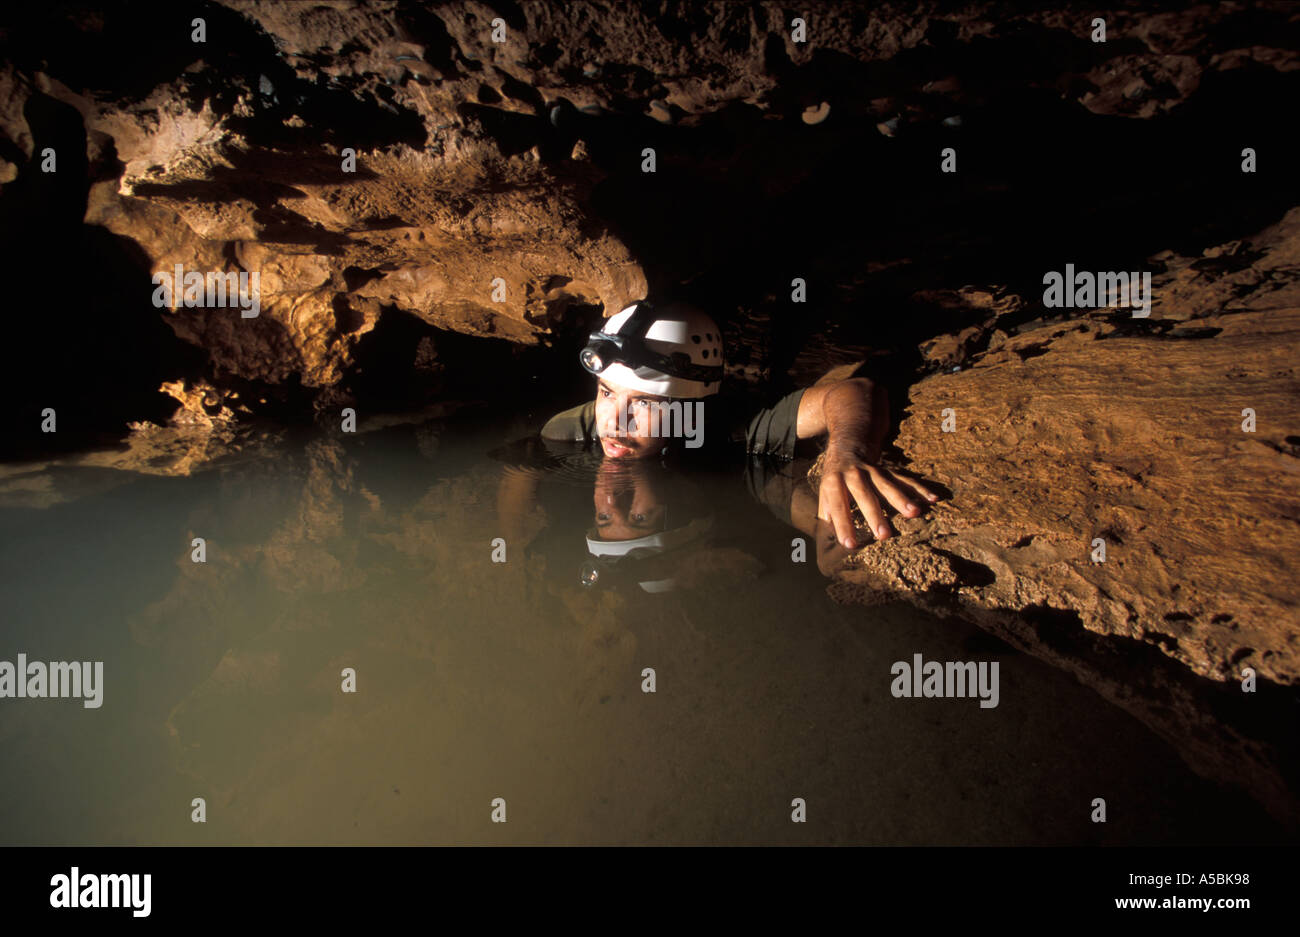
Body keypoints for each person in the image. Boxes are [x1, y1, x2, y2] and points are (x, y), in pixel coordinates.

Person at [540, 299, 938, 549]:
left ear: (692, 405)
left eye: (644, 402)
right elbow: (517, 467)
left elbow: (855, 391)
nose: (614, 421)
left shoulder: (731, 428)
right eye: (607, 392)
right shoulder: (575, 428)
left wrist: (847, 452)